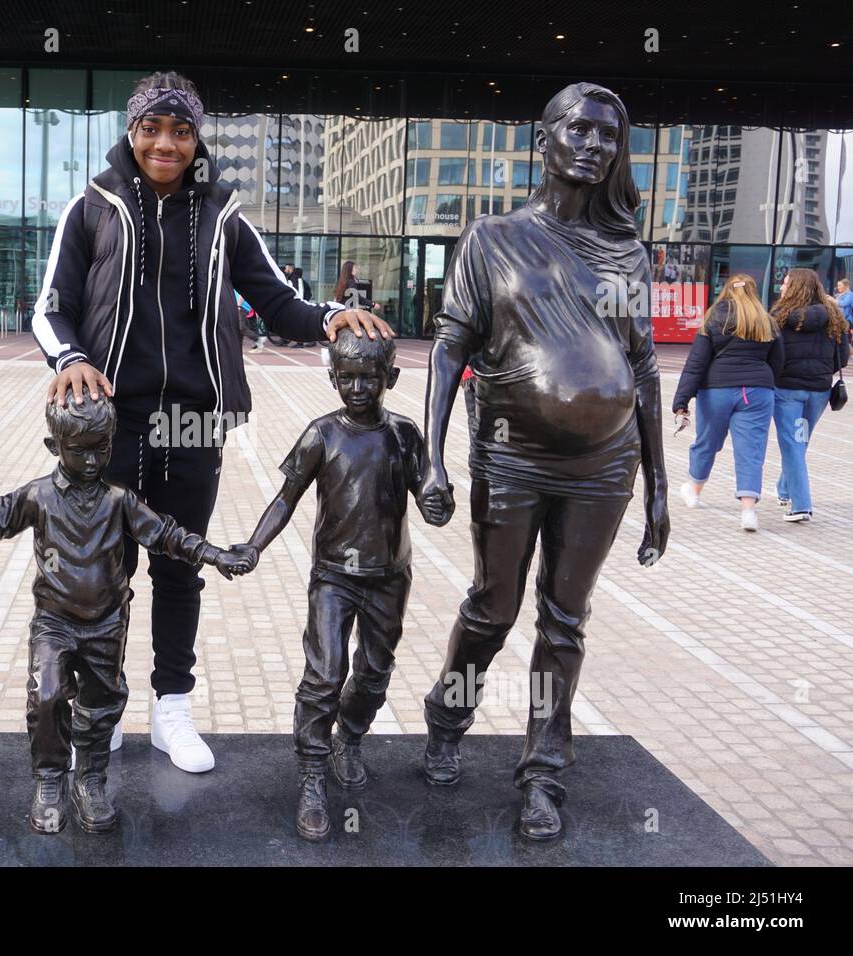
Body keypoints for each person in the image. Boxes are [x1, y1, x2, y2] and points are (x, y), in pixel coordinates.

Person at [30, 69, 392, 774]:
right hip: (111, 425)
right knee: (105, 571)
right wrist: (70, 357)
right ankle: (98, 709)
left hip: (192, 423)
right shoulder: (91, 208)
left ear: (196, 139)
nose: (166, 143)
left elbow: (278, 302)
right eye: (152, 129)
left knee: (178, 568)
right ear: (131, 133)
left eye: (181, 130)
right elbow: (50, 306)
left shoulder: (224, 215)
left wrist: (329, 317)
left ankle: (172, 710)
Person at [419, 82, 670, 842]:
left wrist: (660, 485)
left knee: (566, 621)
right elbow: (449, 347)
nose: (595, 146)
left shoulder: (628, 250)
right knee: (492, 609)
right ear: (545, 137)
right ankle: (448, 714)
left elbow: (647, 368)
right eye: (581, 130)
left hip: (605, 467)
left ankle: (542, 772)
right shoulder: (491, 239)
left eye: (609, 136)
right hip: (512, 456)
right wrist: (432, 460)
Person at [0, 390, 250, 834]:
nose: (92, 461)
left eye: (102, 448)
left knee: (100, 705)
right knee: (46, 695)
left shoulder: (119, 499)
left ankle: (90, 781)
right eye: (80, 450)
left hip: (107, 623)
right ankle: (50, 780)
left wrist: (212, 554)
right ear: (55, 448)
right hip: (54, 621)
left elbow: (165, 534)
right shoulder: (37, 496)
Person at [234, 332, 424, 842]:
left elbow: (428, 494)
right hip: (334, 576)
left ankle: (351, 737)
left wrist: (440, 501)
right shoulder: (321, 434)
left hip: (388, 576)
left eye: (369, 378)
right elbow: (285, 498)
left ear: (392, 379)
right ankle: (313, 775)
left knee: (374, 673)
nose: (358, 387)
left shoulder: (405, 435)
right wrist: (254, 546)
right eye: (347, 378)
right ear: (333, 378)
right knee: (323, 676)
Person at [672, 274, 783, 530]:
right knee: (751, 451)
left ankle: (694, 491)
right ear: (755, 292)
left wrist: (682, 399)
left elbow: (696, 363)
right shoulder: (767, 321)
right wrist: (763, 381)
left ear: (726, 291)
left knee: (707, 442)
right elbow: (778, 361)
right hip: (757, 391)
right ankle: (748, 511)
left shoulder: (713, 317)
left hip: (717, 389)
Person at [768, 268, 850, 522]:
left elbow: (770, 353)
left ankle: (801, 505)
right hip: (819, 391)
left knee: (793, 444)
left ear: (795, 287)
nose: (781, 287)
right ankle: (784, 488)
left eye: (785, 283)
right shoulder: (834, 316)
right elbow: (843, 356)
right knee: (798, 442)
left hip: (786, 390)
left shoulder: (779, 316)